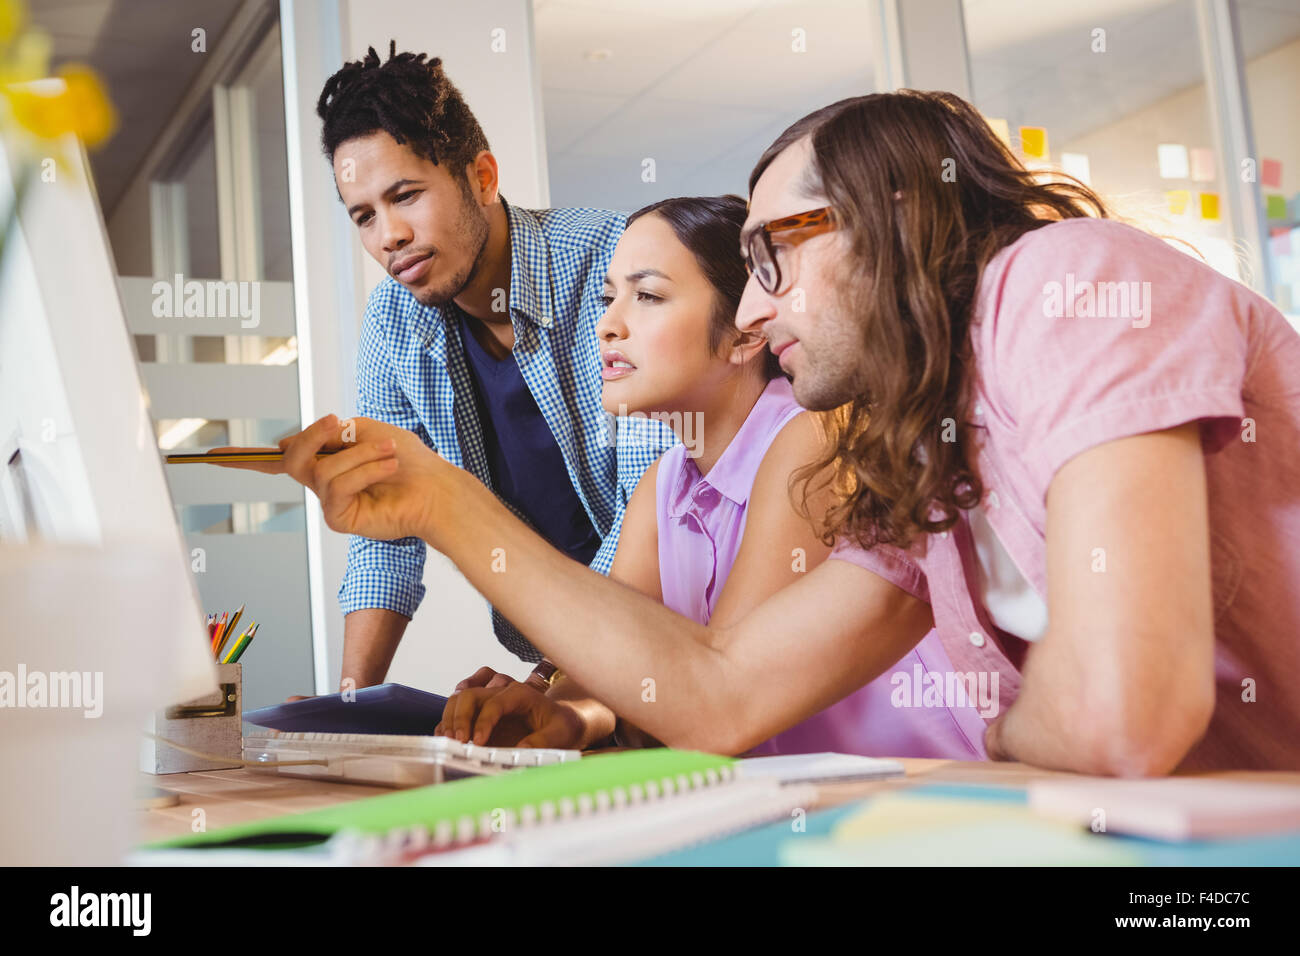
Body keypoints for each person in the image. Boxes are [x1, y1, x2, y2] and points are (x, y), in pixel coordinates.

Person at [250, 90, 1300, 775]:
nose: (751, 316)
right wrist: (439, 500)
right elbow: (723, 687)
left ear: (887, 215)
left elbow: (1117, 717)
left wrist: (996, 736)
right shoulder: (928, 454)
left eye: (770, 258)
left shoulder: (1066, 281)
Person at [432, 195, 987, 758]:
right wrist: (562, 714)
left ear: (745, 331)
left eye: (647, 296)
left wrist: (445, 507)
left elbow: (705, 693)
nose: (608, 325)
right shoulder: (663, 485)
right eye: (607, 297)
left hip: (919, 796)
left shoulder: (809, 439)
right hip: (789, 796)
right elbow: (614, 678)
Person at [312, 43, 674, 688]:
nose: (388, 235)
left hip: (674, 629)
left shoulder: (611, 265)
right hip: (564, 658)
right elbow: (385, 523)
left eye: (405, 196)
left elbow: (652, 494)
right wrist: (347, 709)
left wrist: (552, 687)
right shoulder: (393, 322)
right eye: (364, 216)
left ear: (481, 177)